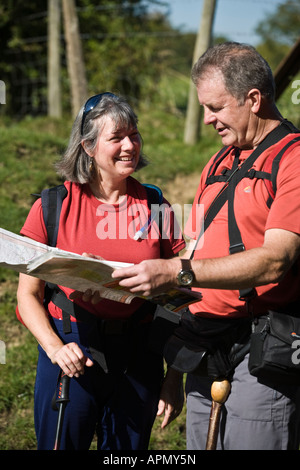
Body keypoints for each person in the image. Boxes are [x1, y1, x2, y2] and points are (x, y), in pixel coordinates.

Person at [113, 42, 300, 450]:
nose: (206, 119)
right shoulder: (217, 163)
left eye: (215, 107)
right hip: (201, 348)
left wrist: (174, 270)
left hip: (264, 351)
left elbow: (276, 261)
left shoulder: (294, 159)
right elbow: (194, 254)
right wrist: (173, 372)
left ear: (253, 99)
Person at [17, 92, 185, 450]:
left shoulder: (155, 203)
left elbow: (182, 289)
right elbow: (27, 296)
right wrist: (56, 349)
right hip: (72, 348)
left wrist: (174, 377)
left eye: (134, 134)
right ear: (89, 147)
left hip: (140, 353)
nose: (130, 146)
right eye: (117, 137)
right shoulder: (52, 207)